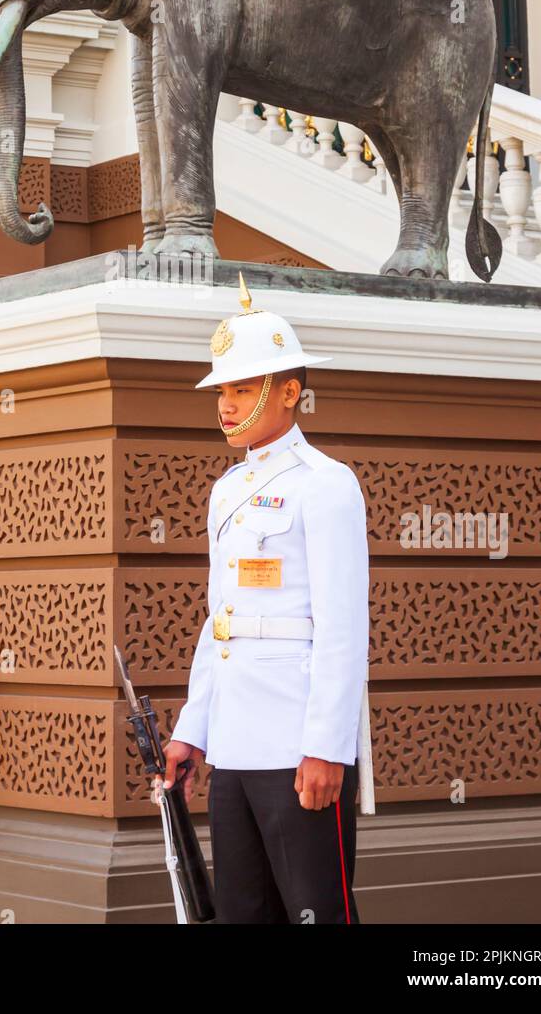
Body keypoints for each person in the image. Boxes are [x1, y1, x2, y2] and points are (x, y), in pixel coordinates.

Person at [163, 273, 371, 924]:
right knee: (241, 914)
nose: (226, 404)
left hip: (297, 747)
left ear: (289, 392)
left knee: (317, 912)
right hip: (234, 747)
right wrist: (192, 731)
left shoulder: (326, 485)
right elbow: (218, 623)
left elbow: (342, 628)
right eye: (222, 389)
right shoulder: (226, 490)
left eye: (243, 388)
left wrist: (327, 748)